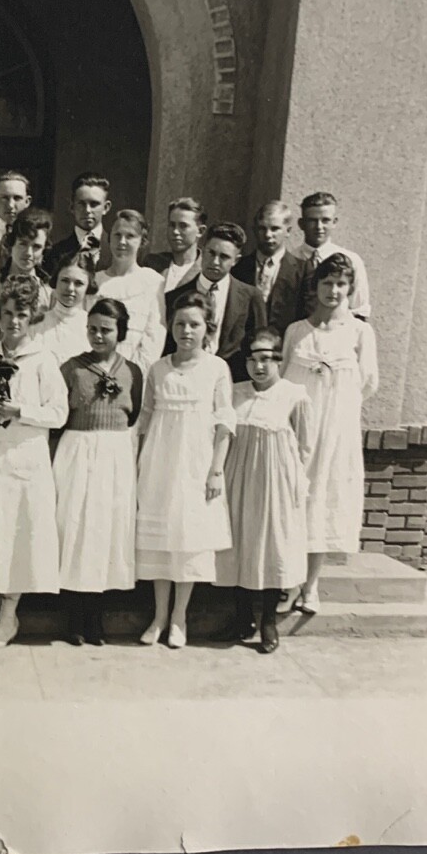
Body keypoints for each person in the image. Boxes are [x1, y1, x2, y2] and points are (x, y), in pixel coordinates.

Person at [0, 275, 70, 651]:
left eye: (21, 314)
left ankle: (9, 617)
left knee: (19, 536)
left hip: (26, 457)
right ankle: (1, 617)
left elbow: (58, 413)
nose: (14, 321)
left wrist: (19, 410)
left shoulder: (43, 359)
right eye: (7, 314)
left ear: (32, 317)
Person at [136, 293, 236, 648]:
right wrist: (139, 463)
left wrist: (216, 470)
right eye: (180, 323)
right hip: (159, 462)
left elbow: (224, 423)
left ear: (207, 328)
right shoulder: (158, 368)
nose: (186, 331)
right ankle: (159, 616)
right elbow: (146, 419)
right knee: (161, 542)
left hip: (196, 463)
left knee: (188, 539)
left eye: (194, 324)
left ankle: (179, 618)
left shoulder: (216, 368)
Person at [280, 254, 379, 615]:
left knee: (322, 501)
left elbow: (368, 382)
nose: (333, 291)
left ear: (350, 289)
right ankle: (288, 582)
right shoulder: (296, 331)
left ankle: (310, 586)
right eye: (327, 283)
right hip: (297, 430)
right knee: (293, 499)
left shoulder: (360, 333)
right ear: (316, 286)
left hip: (335, 432)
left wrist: (334, 410)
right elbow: (283, 376)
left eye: (340, 284)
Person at [216, 329, 313, 654]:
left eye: (266, 359)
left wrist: (294, 484)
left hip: (276, 483)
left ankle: (268, 622)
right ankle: (242, 618)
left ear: (279, 361)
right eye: (253, 359)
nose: (259, 366)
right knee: (240, 544)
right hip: (238, 478)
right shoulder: (236, 393)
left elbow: (305, 446)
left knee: (271, 546)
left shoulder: (294, 395)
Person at [54, 298, 143, 646]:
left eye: (106, 329)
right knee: (76, 528)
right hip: (78, 451)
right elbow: (59, 415)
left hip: (114, 455)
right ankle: (74, 618)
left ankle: (96, 618)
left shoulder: (133, 371)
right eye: (92, 329)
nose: (98, 335)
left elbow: (134, 415)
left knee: (106, 532)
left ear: (121, 332)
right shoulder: (71, 368)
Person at [163, 222, 267, 382]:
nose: (215, 262)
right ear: (203, 250)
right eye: (211, 253)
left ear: (236, 260)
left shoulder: (251, 297)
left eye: (224, 257)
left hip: (232, 382)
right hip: (184, 380)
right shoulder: (174, 298)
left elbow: (259, 347)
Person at [94, 209, 167, 373]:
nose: (122, 242)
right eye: (117, 235)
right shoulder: (96, 281)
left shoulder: (153, 282)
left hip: (135, 373)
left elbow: (154, 337)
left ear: (142, 241)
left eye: (130, 236)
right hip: (96, 369)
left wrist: (130, 375)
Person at [231, 200, 310, 337]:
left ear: (288, 231)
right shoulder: (238, 267)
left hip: (284, 344)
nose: (268, 235)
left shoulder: (303, 270)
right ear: (254, 230)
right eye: (262, 228)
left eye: (275, 229)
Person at [289, 191, 372, 320]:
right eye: (312, 220)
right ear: (301, 224)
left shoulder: (351, 261)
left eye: (325, 220)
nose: (319, 227)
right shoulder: (289, 259)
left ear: (334, 222)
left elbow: (359, 310)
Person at [0, 207, 54, 319]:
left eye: (36, 247)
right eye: (23, 244)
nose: (28, 253)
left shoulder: (49, 294)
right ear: (11, 243)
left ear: (44, 249)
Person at [34, 250, 96, 363]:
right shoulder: (37, 325)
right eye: (65, 280)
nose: (70, 288)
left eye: (78, 283)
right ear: (56, 281)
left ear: (88, 286)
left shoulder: (92, 327)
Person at [48, 172, 113, 273]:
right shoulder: (55, 253)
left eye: (94, 204)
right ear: (72, 207)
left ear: (106, 207)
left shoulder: (116, 248)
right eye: (81, 204)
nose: (87, 210)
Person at [144, 197, 206, 294]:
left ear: (200, 231)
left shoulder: (206, 270)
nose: (175, 231)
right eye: (172, 225)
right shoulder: (152, 264)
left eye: (183, 226)